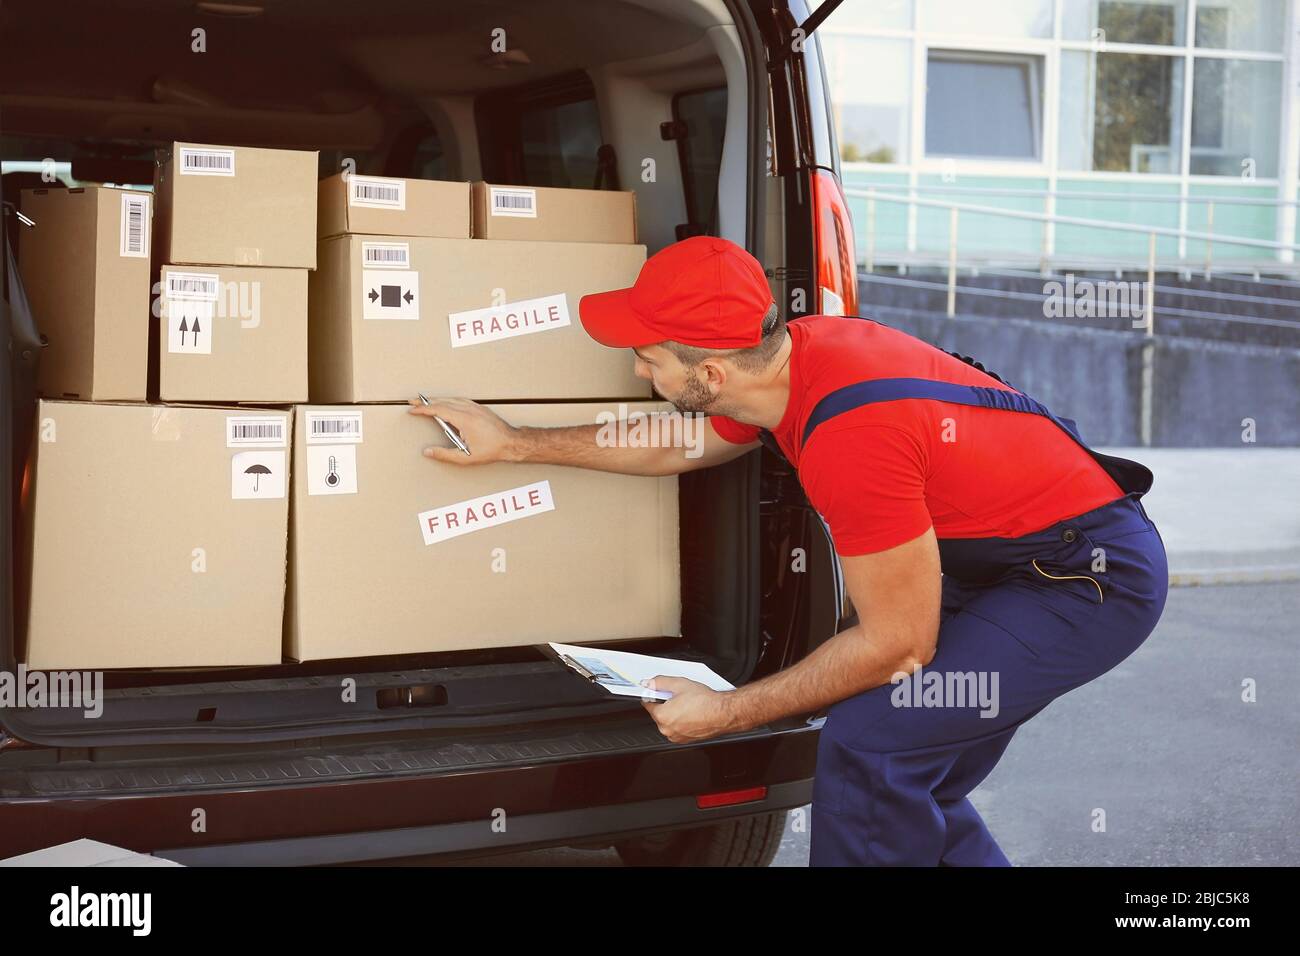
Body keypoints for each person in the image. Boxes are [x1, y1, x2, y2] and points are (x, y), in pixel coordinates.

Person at [409, 236, 1169, 866]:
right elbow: (679, 441)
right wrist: (514, 442)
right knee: (914, 780)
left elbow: (897, 644)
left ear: (709, 373)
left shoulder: (853, 438)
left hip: (1081, 583)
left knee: (874, 748)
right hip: (1003, 565)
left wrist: (725, 713)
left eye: (647, 358)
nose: (637, 371)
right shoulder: (792, 358)